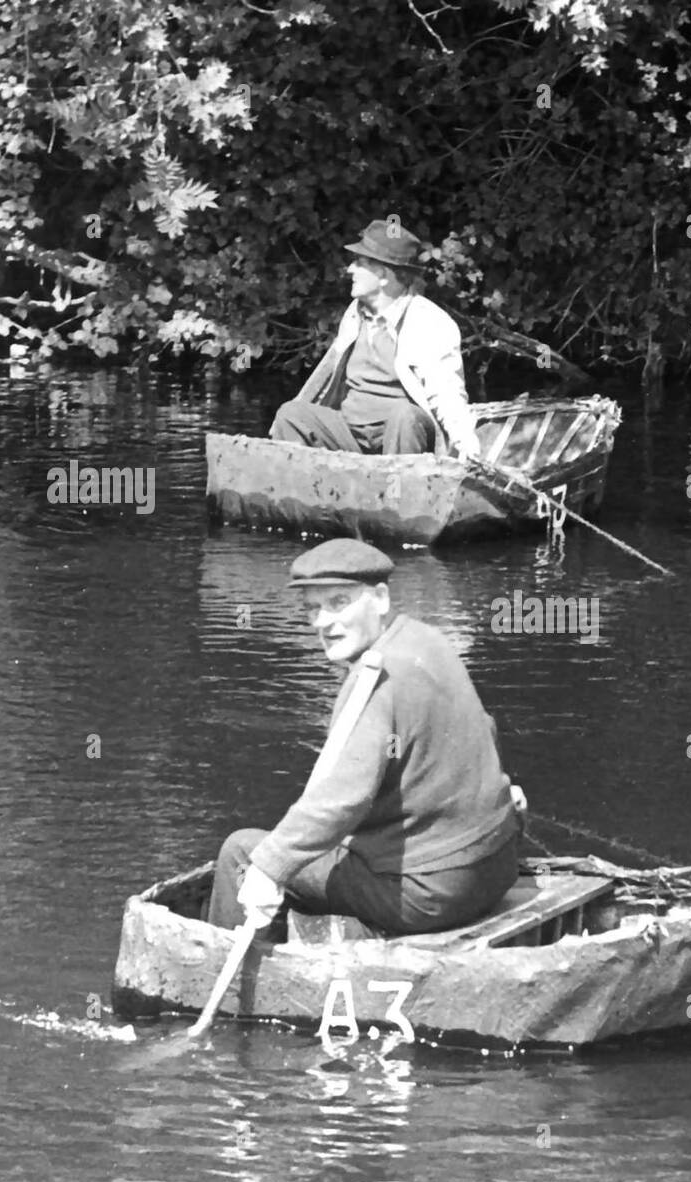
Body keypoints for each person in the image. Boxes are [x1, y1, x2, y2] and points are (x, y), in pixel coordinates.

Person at [208, 538, 525, 937]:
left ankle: (229, 986)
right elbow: (485, 730)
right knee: (324, 845)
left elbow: (342, 798)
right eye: (312, 609)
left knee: (240, 851)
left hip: (431, 895)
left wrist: (269, 868)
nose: (322, 622)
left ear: (379, 598)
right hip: (496, 866)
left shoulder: (373, 678)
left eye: (339, 603)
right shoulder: (428, 640)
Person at [269, 218, 482, 459]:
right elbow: (324, 378)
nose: (350, 270)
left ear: (383, 274)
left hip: (402, 439)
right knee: (291, 414)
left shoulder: (429, 322)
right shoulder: (354, 313)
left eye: (360, 263)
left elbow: (447, 393)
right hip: (349, 433)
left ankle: (399, 492)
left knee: (405, 415)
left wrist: (467, 444)